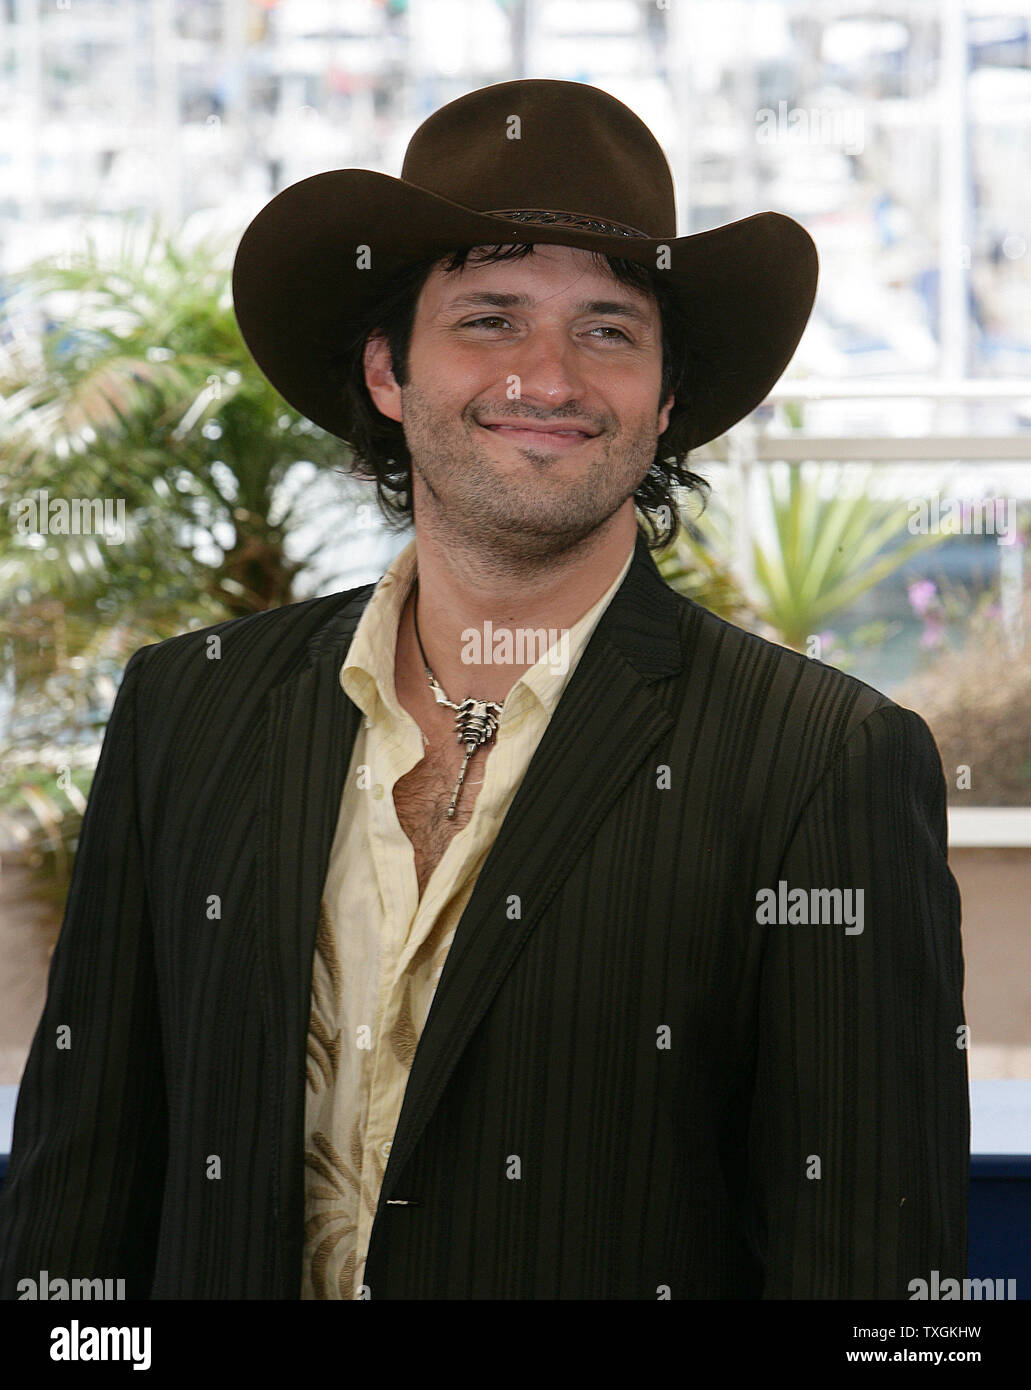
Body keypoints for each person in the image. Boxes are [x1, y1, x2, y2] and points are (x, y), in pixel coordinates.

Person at [0, 79, 967, 1300]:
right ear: (388, 371)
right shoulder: (187, 709)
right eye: (489, 318)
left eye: (607, 330)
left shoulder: (821, 760)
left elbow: (874, 1285)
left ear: (665, 398)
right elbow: (78, 1205)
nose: (546, 379)